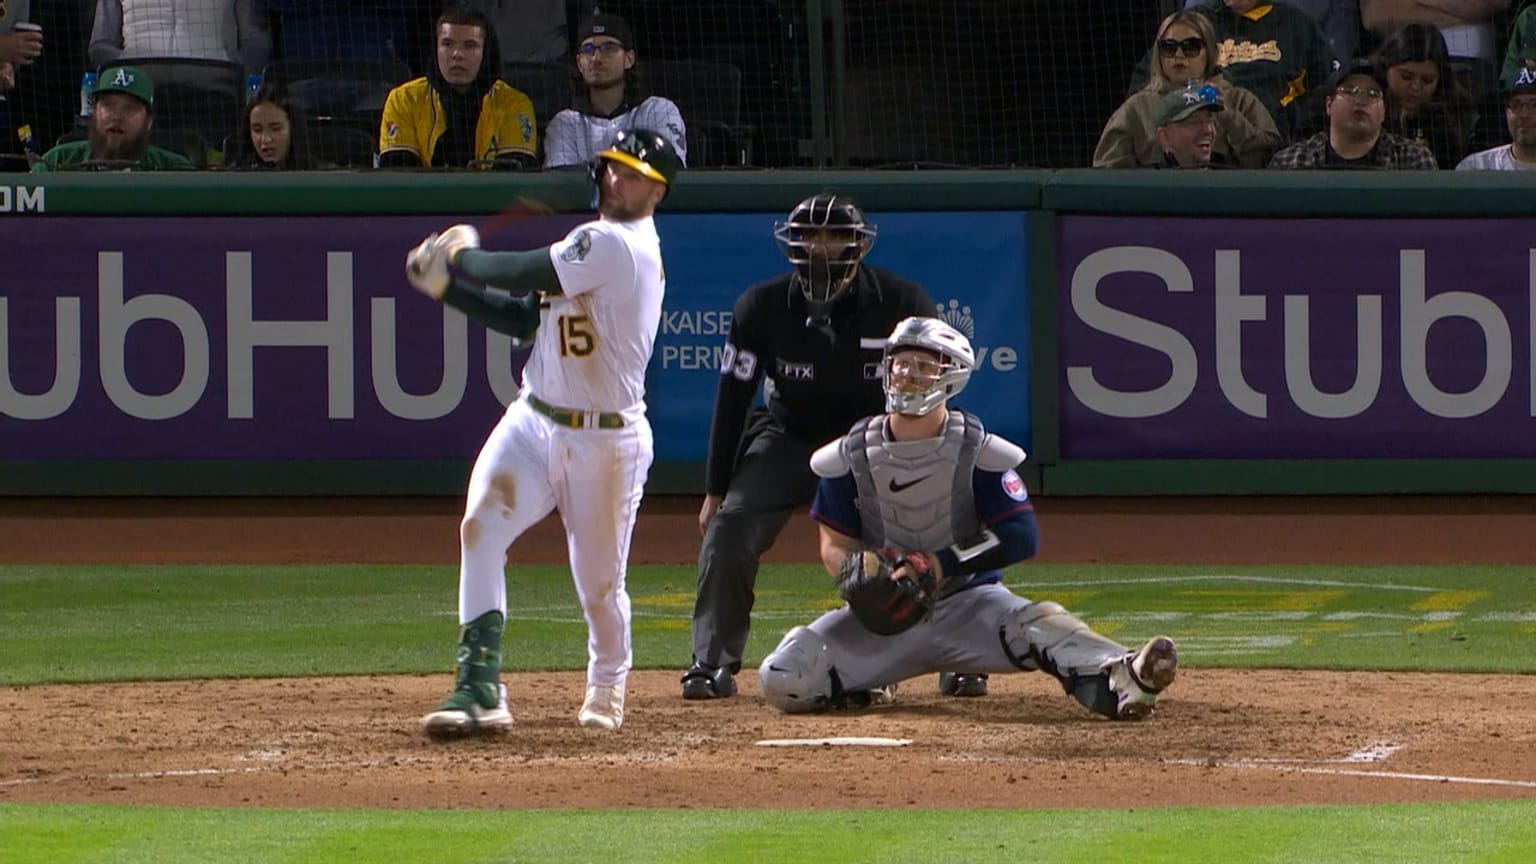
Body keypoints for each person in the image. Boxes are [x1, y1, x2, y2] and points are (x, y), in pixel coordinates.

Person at [756, 316, 1180, 720]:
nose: (906, 375)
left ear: (951, 376)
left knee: (1040, 623)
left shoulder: (978, 451)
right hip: (884, 617)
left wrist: (939, 564)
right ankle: (869, 682)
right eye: (900, 364)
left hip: (971, 607)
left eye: (923, 367)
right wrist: (860, 574)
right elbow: (833, 541)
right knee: (783, 676)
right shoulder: (850, 454)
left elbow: (1021, 535)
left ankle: (1125, 676)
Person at [406, 127, 683, 737]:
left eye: (633, 174)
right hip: (534, 419)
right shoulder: (589, 245)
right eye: (612, 168)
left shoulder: (618, 245)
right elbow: (520, 315)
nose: (617, 180)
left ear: (658, 190)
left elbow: (513, 268)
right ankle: (478, 688)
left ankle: (608, 683)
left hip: (607, 441)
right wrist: (448, 287)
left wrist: (458, 256)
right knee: (479, 527)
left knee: (598, 584)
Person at [682, 192, 987, 702]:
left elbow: (932, 391)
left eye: (834, 237)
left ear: (858, 246)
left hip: (874, 440)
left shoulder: (902, 304)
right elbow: (733, 398)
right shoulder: (759, 307)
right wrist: (715, 488)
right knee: (731, 526)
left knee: (935, 522)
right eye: (809, 237)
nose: (820, 248)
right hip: (787, 437)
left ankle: (960, 657)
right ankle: (710, 661)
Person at [1095, 10, 1280, 168]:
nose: (1179, 55)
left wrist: (1229, 116)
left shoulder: (1239, 100)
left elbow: (1269, 160)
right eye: (1169, 47)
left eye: (1190, 47)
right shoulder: (1136, 108)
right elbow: (1108, 172)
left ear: (1209, 52)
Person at [1130, 0, 1337, 138]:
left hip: (1268, 145)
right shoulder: (1194, 22)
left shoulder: (1295, 24)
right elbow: (1146, 81)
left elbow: (1327, 91)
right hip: (1190, 138)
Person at [378, 4, 536, 170]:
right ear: (435, 48)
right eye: (447, 44)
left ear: (486, 52)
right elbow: (399, 180)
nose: (457, 54)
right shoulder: (403, 99)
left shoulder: (514, 104)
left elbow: (513, 184)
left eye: (469, 46)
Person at [543, 13, 687, 170]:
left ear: (629, 59)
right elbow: (561, 184)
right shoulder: (565, 123)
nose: (596, 58)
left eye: (608, 48)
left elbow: (669, 170)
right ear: (579, 63)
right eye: (588, 49)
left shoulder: (658, 111)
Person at [1268, 59, 1438, 168]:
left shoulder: (1413, 160)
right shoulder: (1290, 162)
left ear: (1384, 111)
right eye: (1350, 91)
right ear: (1329, 104)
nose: (1361, 100)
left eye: (1372, 94)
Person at [31, 65, 193, 172]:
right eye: (108, 105)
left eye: (130, 108)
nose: (116, 116)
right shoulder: (56, 163)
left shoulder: (174, 169)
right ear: (94, 111)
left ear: (149, 121)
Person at [1372, 22, 1482, 169]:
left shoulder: (1456, 118)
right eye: (1406, 76)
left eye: (1427, 80)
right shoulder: (1365, 110)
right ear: (1385, 69)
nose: (1416, 87)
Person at [89, 0, 272, 73]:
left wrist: (231, 71)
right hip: (140, 92)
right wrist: (129, 67)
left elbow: (255, 42)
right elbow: (100, 45)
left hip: (215, 90)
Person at [227, 81, 317, 170]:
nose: (265, 139)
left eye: (275, 129)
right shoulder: (236, 178)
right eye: (257, 130)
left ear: (293, 129)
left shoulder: (318, 178)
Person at [1456, 71, 1536, 169]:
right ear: (1506, 113)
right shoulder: (1475, 168)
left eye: (1534, 105)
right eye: (1516, 105)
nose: (1524, 114)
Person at [1150, 82, 1231, 168]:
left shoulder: (1228, 172)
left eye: (1209, 120)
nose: (1207, 130)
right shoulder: (1147, 179)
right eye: (1194, 122)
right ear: (1164, 137)